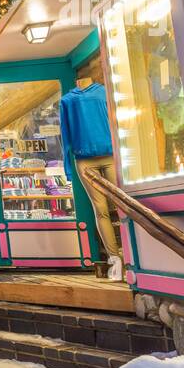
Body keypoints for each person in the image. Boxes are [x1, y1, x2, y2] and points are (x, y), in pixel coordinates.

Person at [59, 80, 118, 276]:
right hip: (84, 160)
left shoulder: (105, 91)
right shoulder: (67, 101)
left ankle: (132, 254)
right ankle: (115, 259)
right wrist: (68, 169)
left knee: (121, 206)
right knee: (100, 209)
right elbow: (66, 138)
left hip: (111, 155)